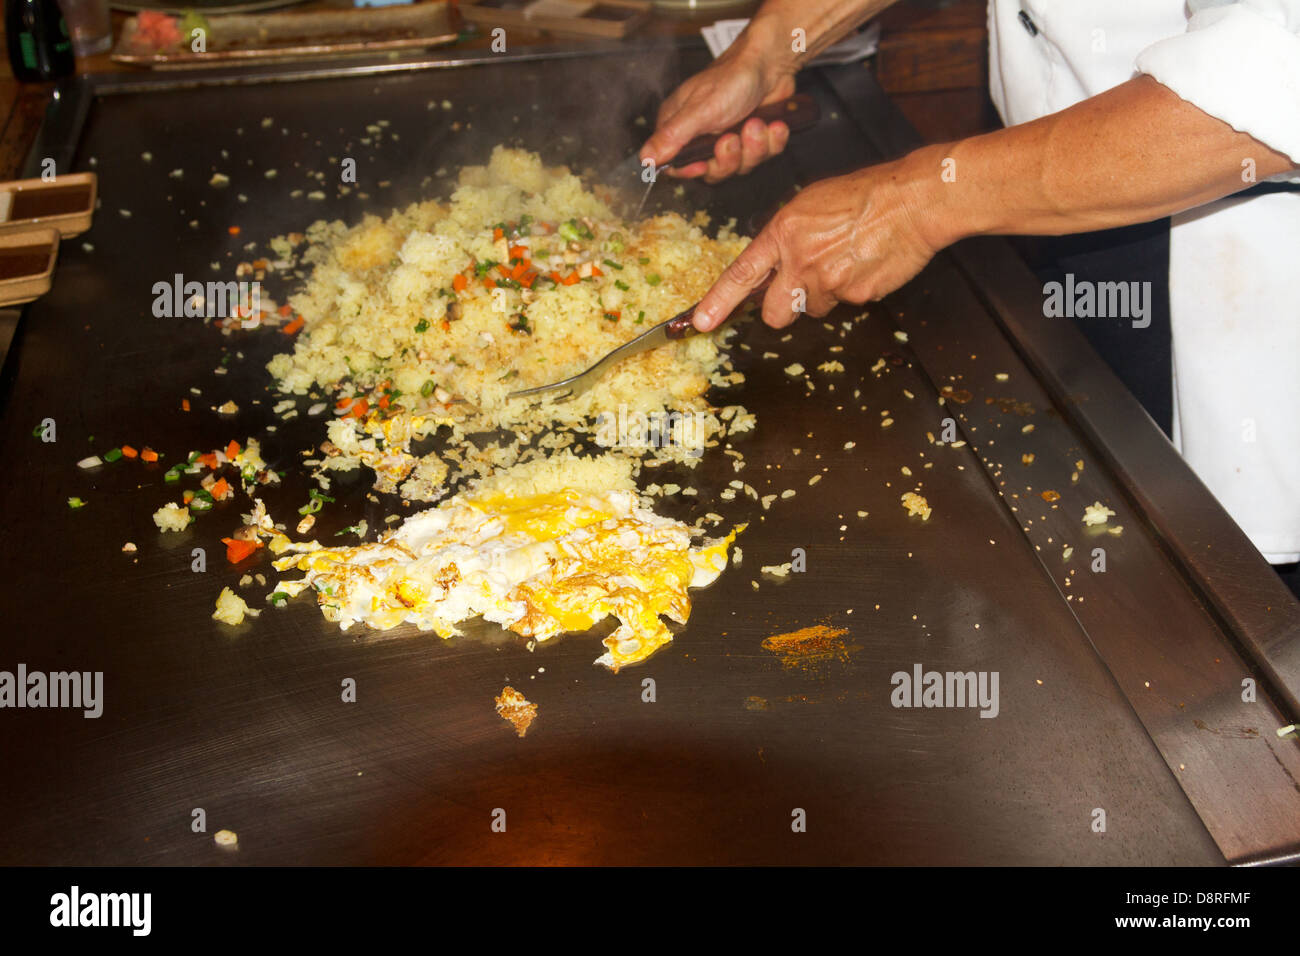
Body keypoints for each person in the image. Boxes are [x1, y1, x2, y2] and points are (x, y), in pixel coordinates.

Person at [639, 0, 1300, 588]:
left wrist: (913, 204)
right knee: (1109, 533)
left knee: (1234, 610)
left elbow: (1273, 76)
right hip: (1060, 196)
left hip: (1240, 259)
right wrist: (772, 44)